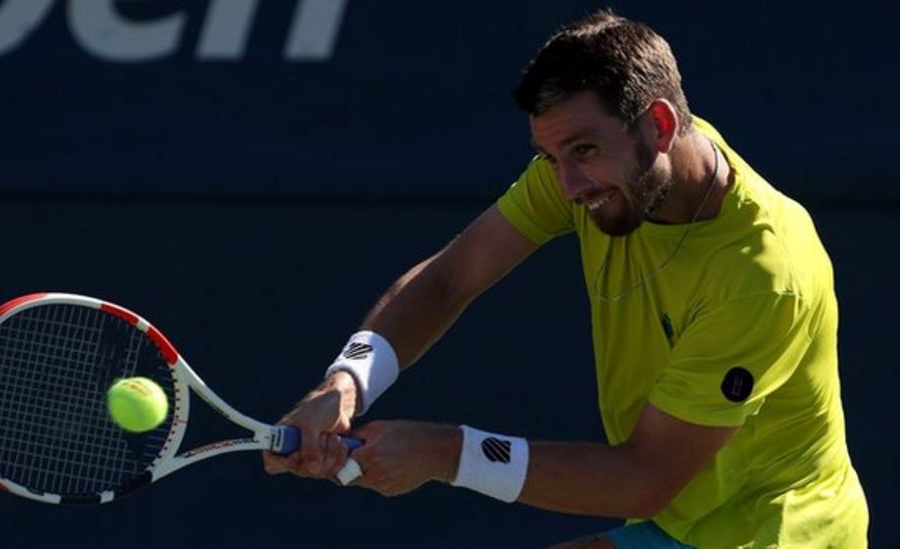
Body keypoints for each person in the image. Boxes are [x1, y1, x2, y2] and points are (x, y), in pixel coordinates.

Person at [262, 9, 869, 548]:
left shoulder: (761, 273)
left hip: (773, 533)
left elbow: (643, 479)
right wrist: (346, 385)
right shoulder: (600, 172)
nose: (569, 185)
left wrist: (446, 453)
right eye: (552, 157)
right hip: (684, 518)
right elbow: (450, 278)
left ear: (658, 126)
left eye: (583, 151)